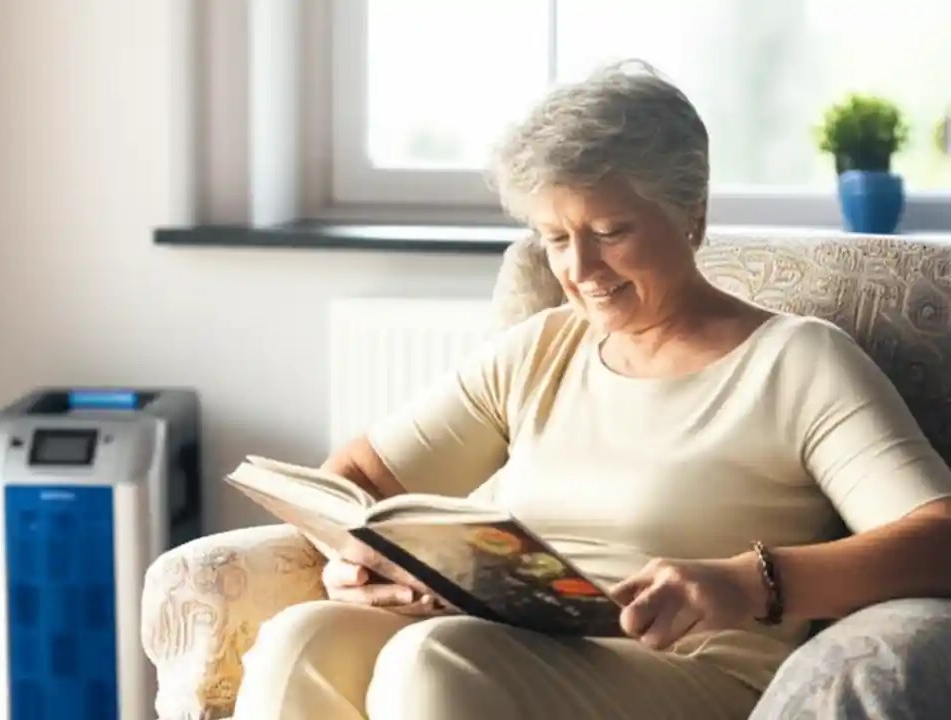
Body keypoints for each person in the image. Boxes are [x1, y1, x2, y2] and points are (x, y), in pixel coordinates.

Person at [229, 60, 951, 720]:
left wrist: (750, 581)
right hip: (511, 648)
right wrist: (354, 564)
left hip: (692, 674)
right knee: (307, 636)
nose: (581, 268)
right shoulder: (541, 348)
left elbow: (939, 536)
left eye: (610, 231)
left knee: (433, 660)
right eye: (555, 237)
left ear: (691, 212)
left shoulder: (795, 362)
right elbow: (356, 478)